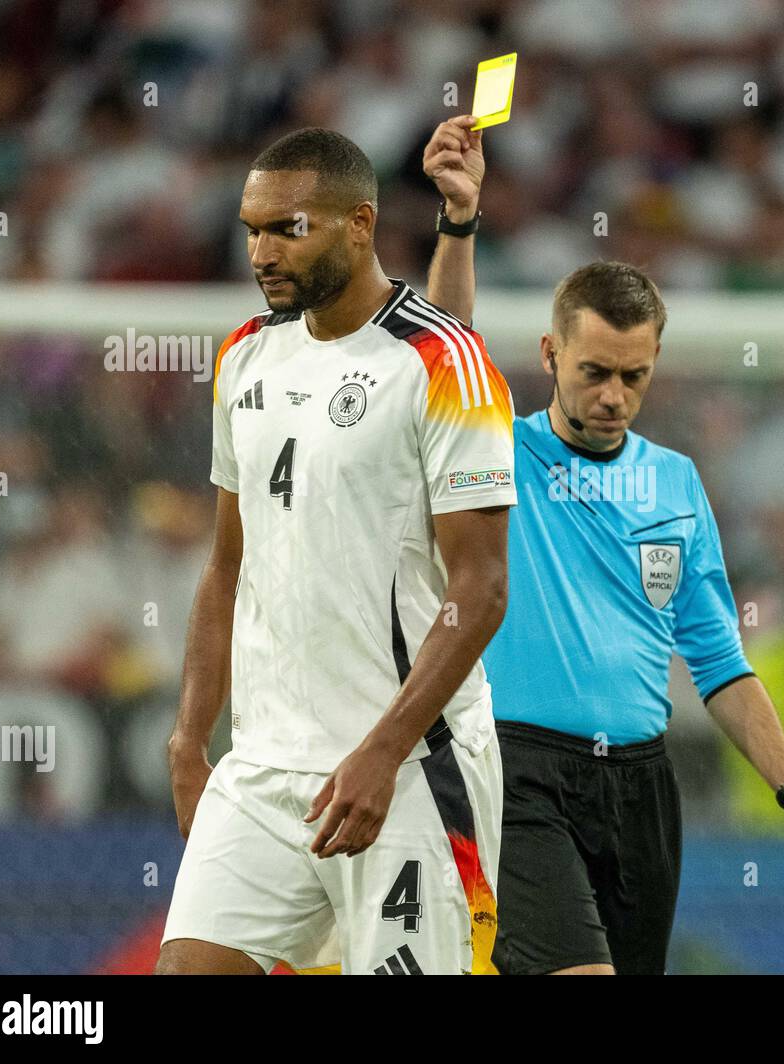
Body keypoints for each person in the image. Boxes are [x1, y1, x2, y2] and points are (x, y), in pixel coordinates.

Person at [421, 114, 784, 975]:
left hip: (642, 791)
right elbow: (444, 347)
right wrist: (460, 220)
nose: (614, 396)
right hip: (520, 771)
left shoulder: (677, 483)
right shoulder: (502, 447)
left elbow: (722, 664)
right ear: (550, 355)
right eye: (594, 372)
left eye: (634, 376)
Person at [156, 127, 516, 975]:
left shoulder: (444, 361)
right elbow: (225, 568)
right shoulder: (244, 357)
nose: (261, 252)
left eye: (289, 228)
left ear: (360, 224)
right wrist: (186, 740)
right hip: (263, 770)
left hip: (410, 771)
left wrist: (386, 749)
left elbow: (484, 585)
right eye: (251, 229)